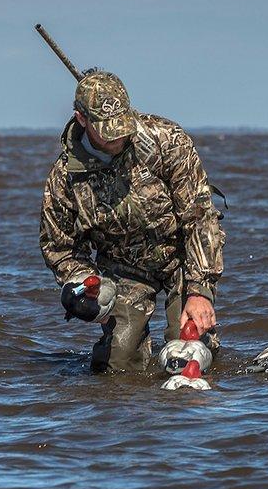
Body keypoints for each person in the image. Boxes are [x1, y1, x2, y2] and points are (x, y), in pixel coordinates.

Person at [39, 69, 225, 372]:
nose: (118, 136)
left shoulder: (168, 141)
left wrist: (199, 290)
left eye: (122, 125)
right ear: (81, 119)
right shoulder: (64, 178)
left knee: (188, 354)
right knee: (117, 364)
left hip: (182, 259)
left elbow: (201, 218)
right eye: (107, 130)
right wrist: (86, 286)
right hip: (124, 269)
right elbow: (59, 247)